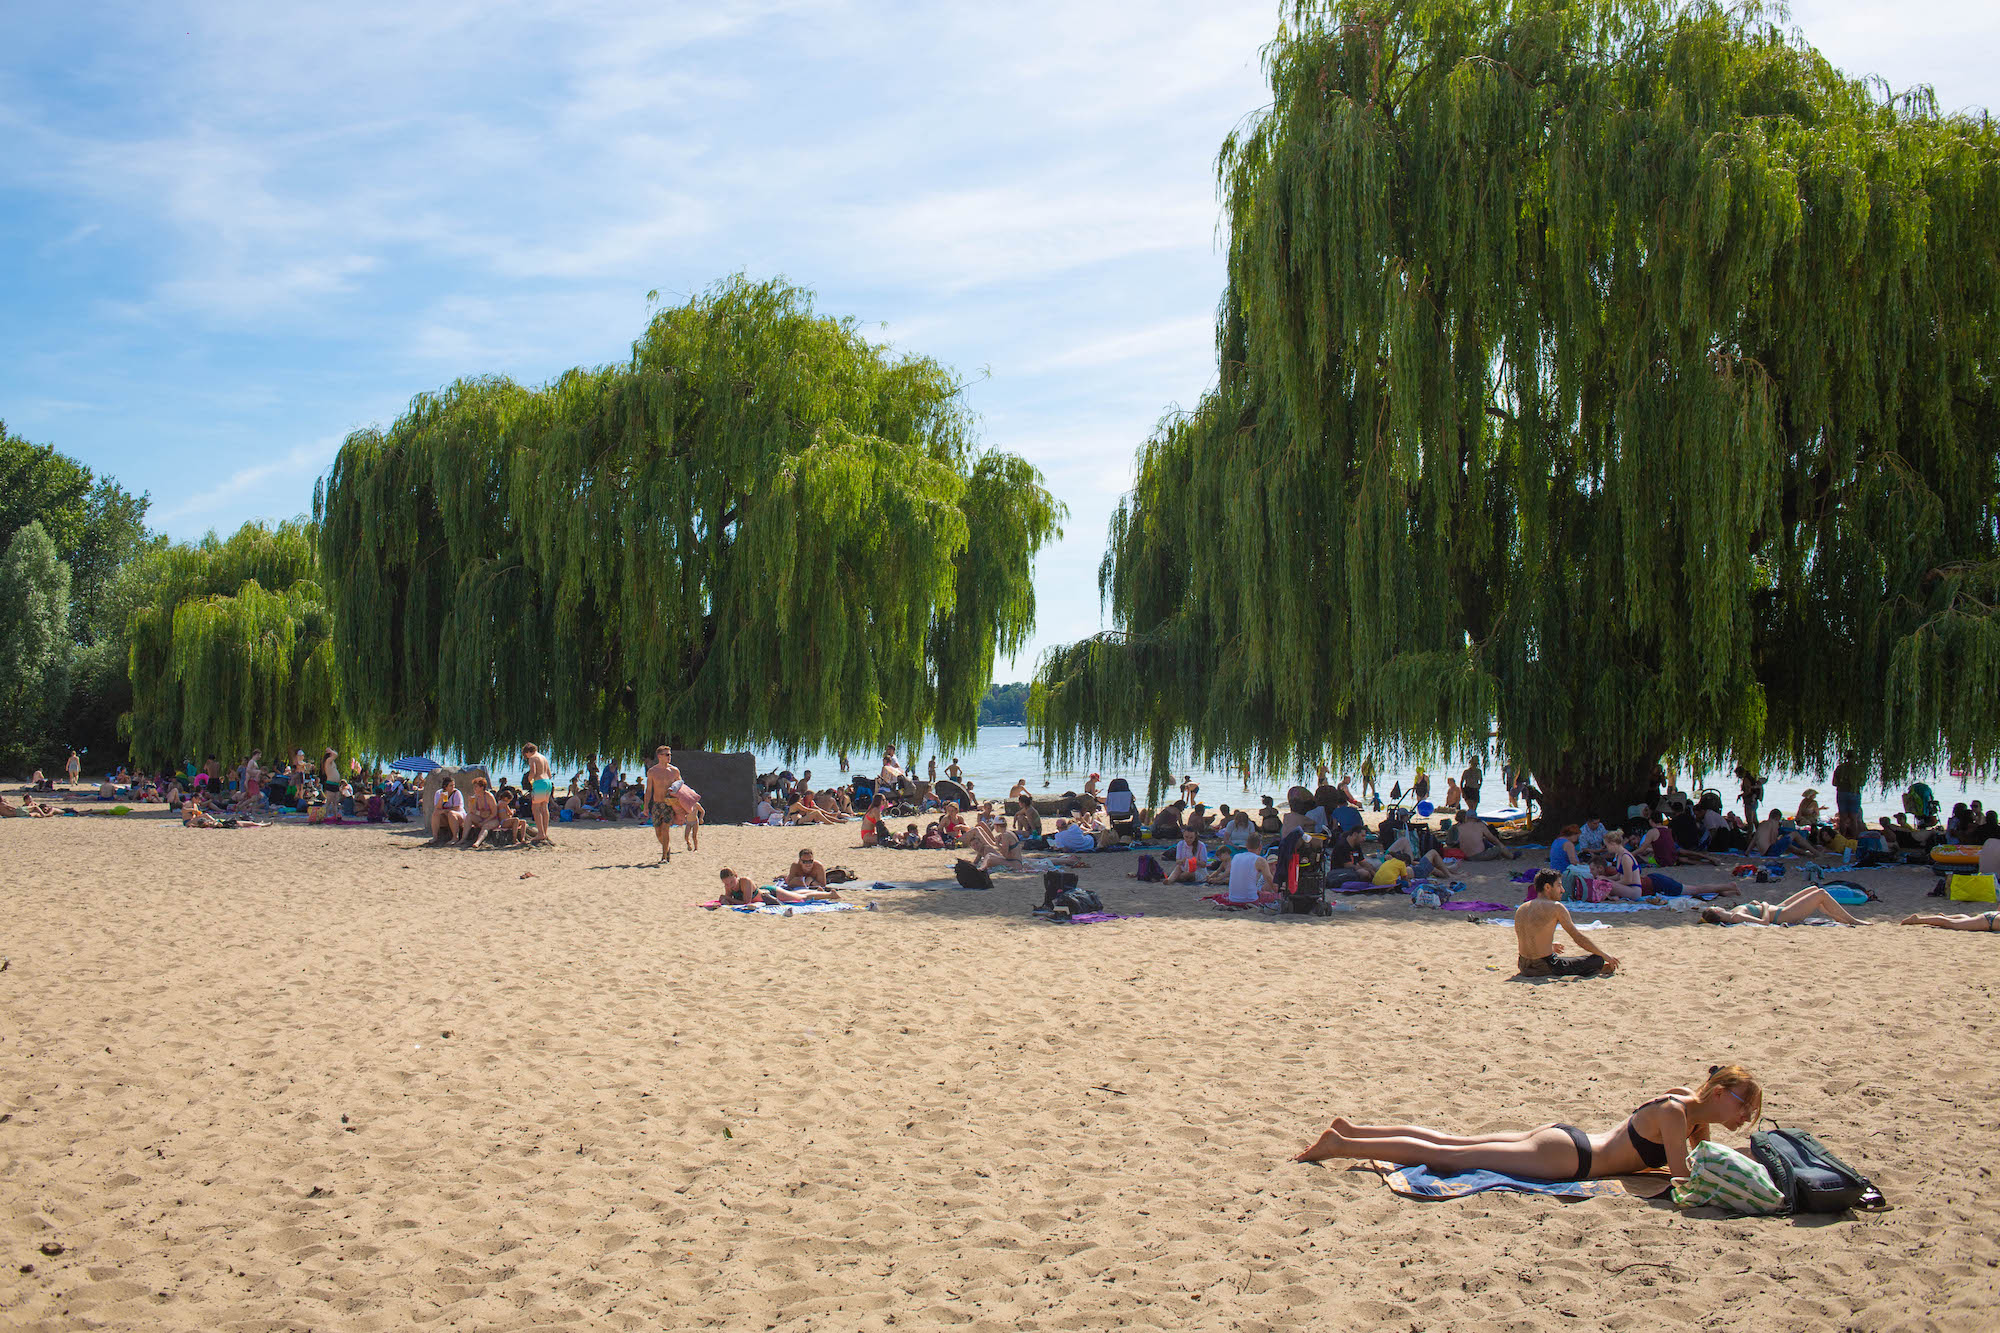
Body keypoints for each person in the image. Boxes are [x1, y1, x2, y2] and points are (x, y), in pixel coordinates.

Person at [1294, 1065, 1762, 1182]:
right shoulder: (1678, 1114)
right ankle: (1341, 1146)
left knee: (1452, 1141)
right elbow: (1682, 1179)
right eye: (1743, 1106)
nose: (1744, 1117)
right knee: (1445, 1155)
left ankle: (1352, 1131)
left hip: (1567, 1141)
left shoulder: (1685, 1107)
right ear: (1719, 1094)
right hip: (1568, 1158)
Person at [1513, 869, 1620, 977]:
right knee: (1597, 959)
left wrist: (1548, 946)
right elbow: (1578, 938)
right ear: (1547, 887)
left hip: (1523, 966)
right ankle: (1596, 968)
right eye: (1559, 886)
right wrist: (1604, 955)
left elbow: (1527, 938)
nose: (1563, 890)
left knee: (1571, 960)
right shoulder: (1556, 907)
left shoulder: (1522, 908)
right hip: (1545, 966)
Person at [1700, 886, 1867, 926]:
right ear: (1716, 911)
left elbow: (1754, 914)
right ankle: (1853, 920)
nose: (1717, 905)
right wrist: (1764, 906)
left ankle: (1838, 916)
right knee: (1821, 893)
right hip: (1783, 915)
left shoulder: (1732, 913)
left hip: (1778, 908)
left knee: (1814, 889)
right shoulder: (1735, 917)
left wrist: (1753, 905)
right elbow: (1764, 923)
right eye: (1715, 907)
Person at [641, 745, 683, 862]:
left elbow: (681, 786)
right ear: (659, 756)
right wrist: (645, 807)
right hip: (656, 804)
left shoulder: (674, 771)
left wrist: (682, 804)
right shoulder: (652, 771)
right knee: (658, 832)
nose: (669, 757)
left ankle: (664, 856)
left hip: (669, 804)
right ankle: (666, 848)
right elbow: (649, 790)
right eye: (666, 754)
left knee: (665, 829)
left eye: (670, 754)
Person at [717, 867, 837, 906]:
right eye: (726, 884)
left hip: (770, 893)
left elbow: (746, 902)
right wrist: (724, 899)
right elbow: (729, 900)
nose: (729, 886)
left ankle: (829, 894)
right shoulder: (729, 885)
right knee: (798, 895)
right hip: (764, 894)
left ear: (736, 876)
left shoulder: (745, 882)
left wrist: (727, 899)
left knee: (800, 898)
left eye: (731, 882)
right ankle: (817, 891)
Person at [1224, 832, 1275, 904]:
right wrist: (1276, 891)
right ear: (1260, 847)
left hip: (1232, 899)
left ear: (1246, 846)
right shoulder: (1260, 860)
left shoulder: (1236, 857)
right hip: (1250, 900)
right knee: (1272, 896)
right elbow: (1269, 879)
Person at [521, 743, 556, 844]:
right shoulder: (543, 757)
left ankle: (540, 833)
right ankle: (544, 832)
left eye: (525, 754)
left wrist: (530, 780)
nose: (526, 757)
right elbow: (549, 773)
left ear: (528, 752)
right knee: (544, 808)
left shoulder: (532, 758)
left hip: (539, 782)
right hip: (548, 782)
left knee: (535, 808)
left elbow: (533, 771)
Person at [1831, 752, 1864, 823]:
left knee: (1843, 818)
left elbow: (1834, 783)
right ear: (1855, 758)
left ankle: (1843, 833)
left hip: (1842, 793)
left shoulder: (1840, 768)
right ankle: (1854, 833)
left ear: (1846, 758)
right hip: (1855, 793)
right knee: (1854, 819)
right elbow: (1862, 783)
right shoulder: (1859, 769)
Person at [1901, 910, 2000, 931]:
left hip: (1991, 917)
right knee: (1952, 924)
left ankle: (1947, 916)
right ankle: (1918, 920)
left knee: (1967, 920)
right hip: (1987, 922)